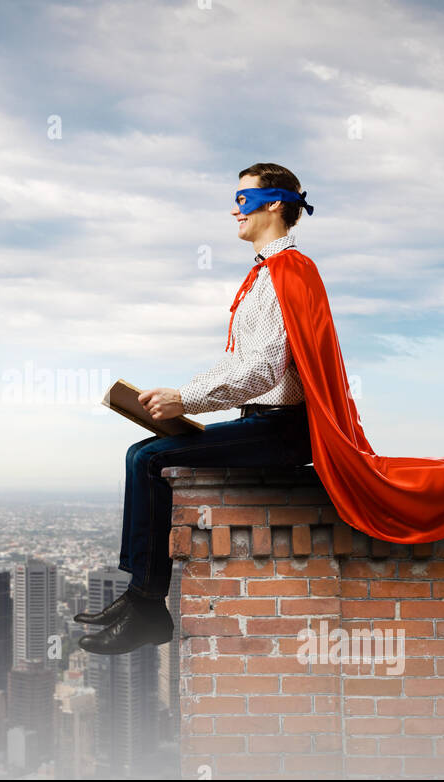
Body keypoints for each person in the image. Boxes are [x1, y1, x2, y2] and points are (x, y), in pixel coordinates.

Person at [78, 163, 316, 656]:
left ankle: (146, 604)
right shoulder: (265, 275)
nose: (235, 209)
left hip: (282, 431)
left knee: (149, 459)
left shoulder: (286, 274)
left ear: (274, 204)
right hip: (261, 422)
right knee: (143, 451)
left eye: (244, 199)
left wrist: (185, 401)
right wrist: (175, 395)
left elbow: (265, 371)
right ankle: (138, 597)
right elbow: (237, 364)